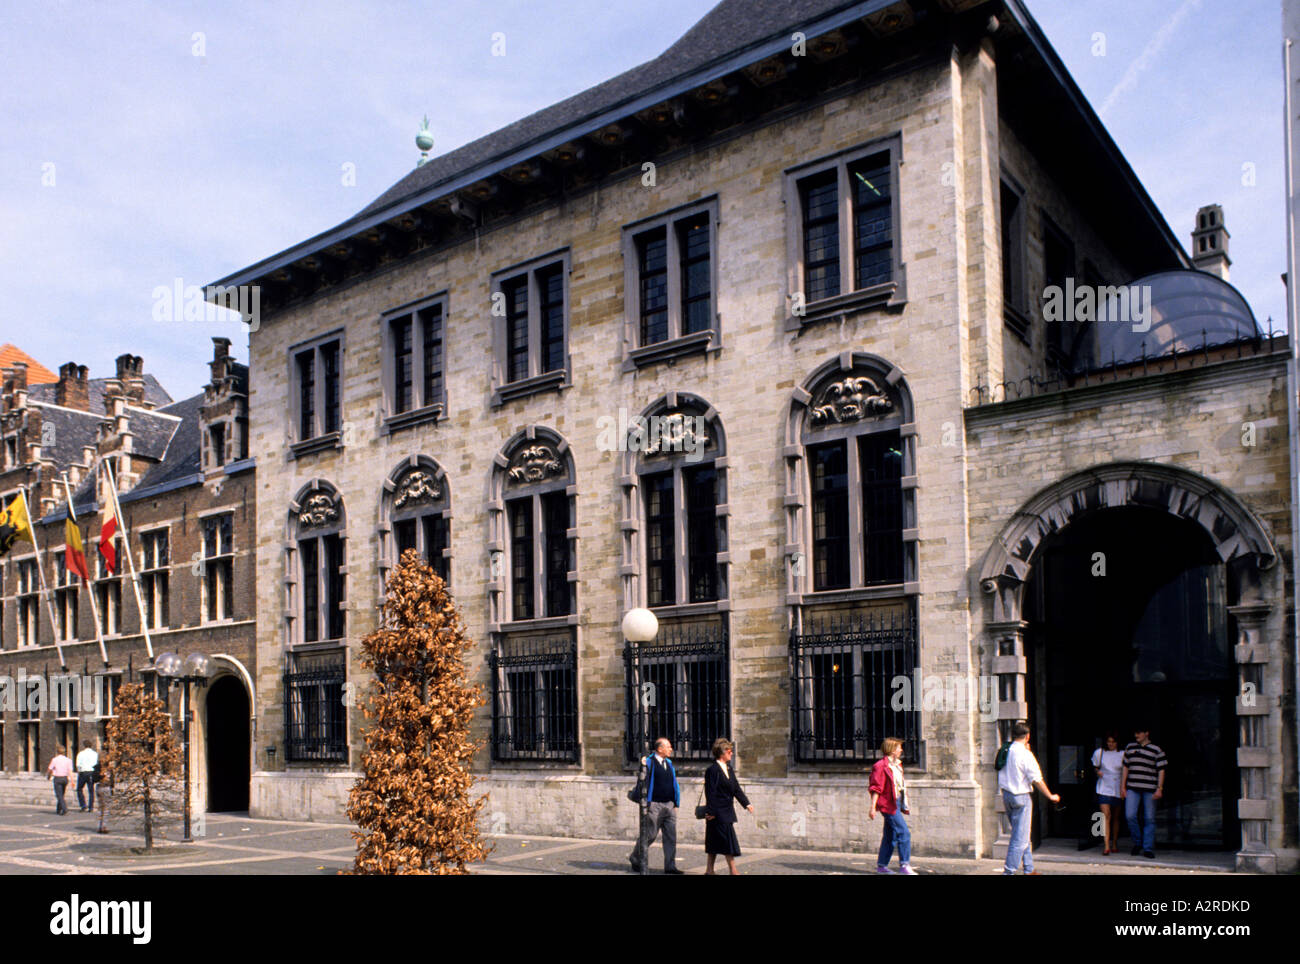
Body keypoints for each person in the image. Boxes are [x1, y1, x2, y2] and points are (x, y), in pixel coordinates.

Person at [996, 722, 1059, 875]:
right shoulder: (1025, 754)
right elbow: (1036, 779)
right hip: (1021, 797)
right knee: (1020, 838)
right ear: (1028, 736)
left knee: (1021, 833)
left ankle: (1029, 869)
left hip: (1007, 795)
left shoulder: (1005, 750)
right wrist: (1050, 796)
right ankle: (1008, 872)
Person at [628, 737, 683, 875]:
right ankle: (636, 857)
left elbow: (673, 783)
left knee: (671, 836)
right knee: (650, 834)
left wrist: (675, 802)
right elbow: (643, 782)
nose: (671, 749)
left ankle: (670, 866)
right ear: (660, 749)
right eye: (668, 746)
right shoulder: (649, 762)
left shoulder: (669, 763)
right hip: (654, 804)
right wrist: (646, 803)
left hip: (669, 805)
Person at [703, 738, 753, 875]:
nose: (731, 754)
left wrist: (746, 803)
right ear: (722, 753)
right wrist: (711, 811)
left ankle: (709, 870)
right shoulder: (712, 770)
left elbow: (736, 788)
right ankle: (733, 870)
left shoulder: (729, 769)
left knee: (714, 841)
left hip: (727, 810)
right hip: (717, 811)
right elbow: (710, 792)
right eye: (729, 751)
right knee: (726, 841)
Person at [868, 736, 915, 874]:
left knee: (890, 835)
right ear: (892, 750)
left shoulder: (897, 765)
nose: (901, 750)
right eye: (899, 747)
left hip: (896, 801)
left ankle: (882, 866)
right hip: (888, 804)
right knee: (904, 833)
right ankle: (904, 865)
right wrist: (872, 807)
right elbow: (876, 788)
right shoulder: (880, 766)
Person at [1121, 725, 1167, 858]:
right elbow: (1125, 767)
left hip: (1150, 789)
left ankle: (1147, 848)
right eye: (1136, 733)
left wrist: (1159, 788)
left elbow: (1161, 770)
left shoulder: (1156, 750)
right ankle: (1138, 842)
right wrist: (1122, 787)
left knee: (1149, 818)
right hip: (1132, 787)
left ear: (1147, 733)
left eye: (1139, 733)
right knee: (1130, 815)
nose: (1137, 735)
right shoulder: (1130, 748)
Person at [1091, 732, 1124, 855]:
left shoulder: (1122, 754)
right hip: (1104, 786)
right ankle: (1106, 845)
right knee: (1106, 815)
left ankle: (1114, 843)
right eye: (1109, 741)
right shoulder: (1099, 753)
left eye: (1113, 742)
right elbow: (1095, 766)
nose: (1111, 744)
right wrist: (1097, 772)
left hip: (1117, 786)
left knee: (1116, 817)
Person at [46, 745, 73, 815]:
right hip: (65, 778)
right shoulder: (68, 760)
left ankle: (64, 809)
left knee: (59, 795)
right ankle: (58, 809)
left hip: (57, 778)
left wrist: (48, 776)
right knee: (61, 794)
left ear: (57, 752)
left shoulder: (54, 760)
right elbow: (70, 771)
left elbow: (50, 769)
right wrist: (72, 780)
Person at [75, 740, 99, 812]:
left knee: (79, 789)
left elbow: (78, 765)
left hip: (83, 772)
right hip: (91, 772)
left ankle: (83, 805)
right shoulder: (95, 754)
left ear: (84, 746)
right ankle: (91, 807)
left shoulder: (81, 754)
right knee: (91, 790)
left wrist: (79, 772)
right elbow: (96, 764)